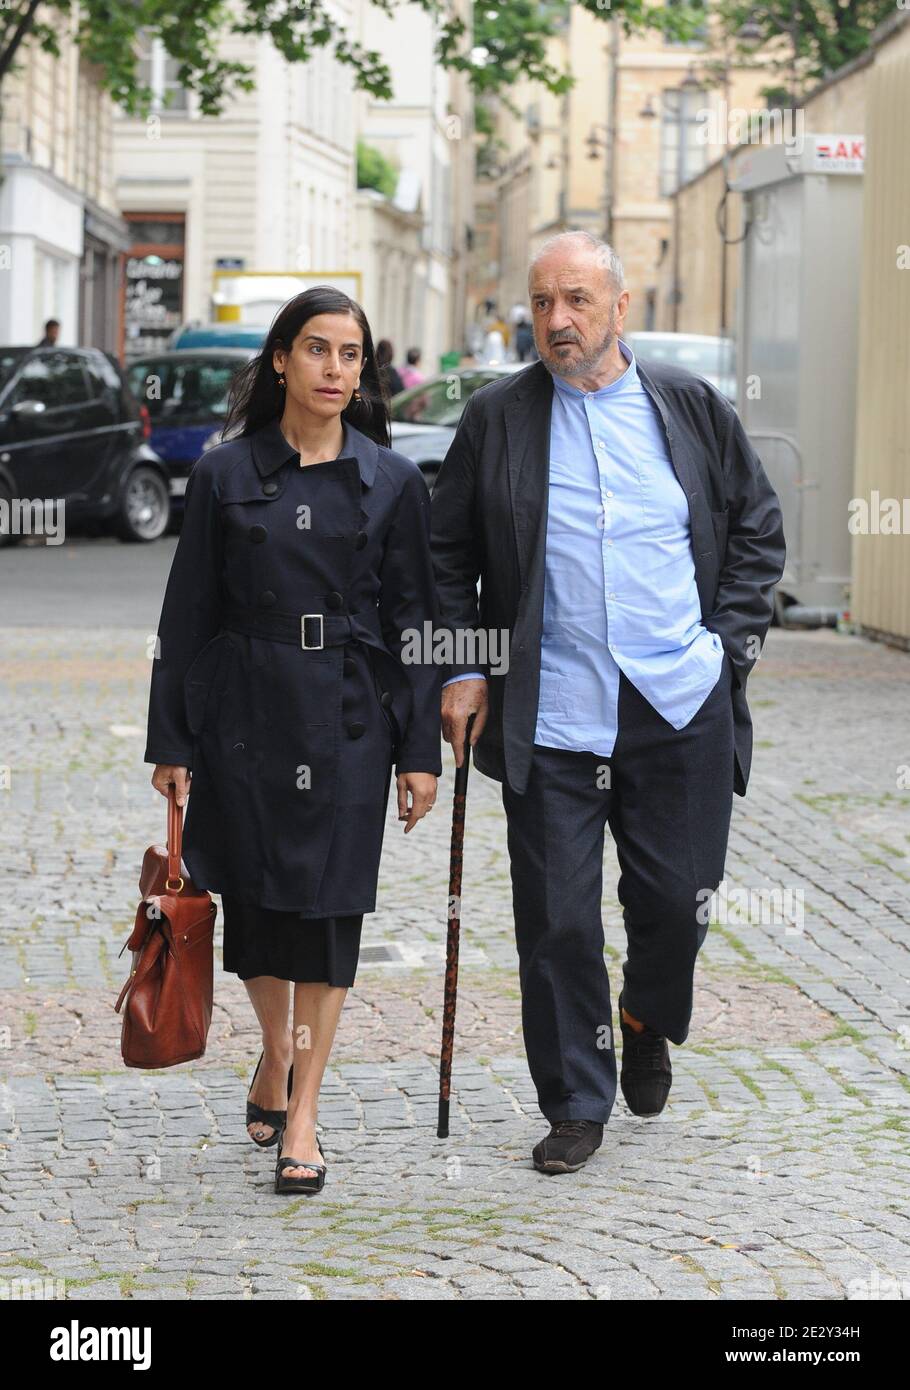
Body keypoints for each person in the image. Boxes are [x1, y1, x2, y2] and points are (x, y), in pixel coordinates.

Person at [430, 230, 785, 1176]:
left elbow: (756, 528)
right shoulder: (499, 417)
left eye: (578, 300)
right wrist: (464, 667)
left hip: (676, 702)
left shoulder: (689, 408)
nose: (558, 320)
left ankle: (647, 1015)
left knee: (675, 901)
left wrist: (724, 653)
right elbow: (445, 554)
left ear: (619, 307)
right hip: (551, 709)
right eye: (543, 302)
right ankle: (577, 1101)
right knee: (558, 918)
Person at [144, 286, 442, 1194]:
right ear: (282, 359)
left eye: (352, 356)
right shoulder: (227, 473)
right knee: (263, 920)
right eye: (318, 350)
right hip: (246, 715)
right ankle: (277, 1052)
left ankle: (303, 1113)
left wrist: (420, 749)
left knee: (330, 916)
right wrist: (173, 741)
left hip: (353, 716)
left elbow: (417, 623)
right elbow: (186, 613)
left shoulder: (390, 481)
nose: (335, 371)